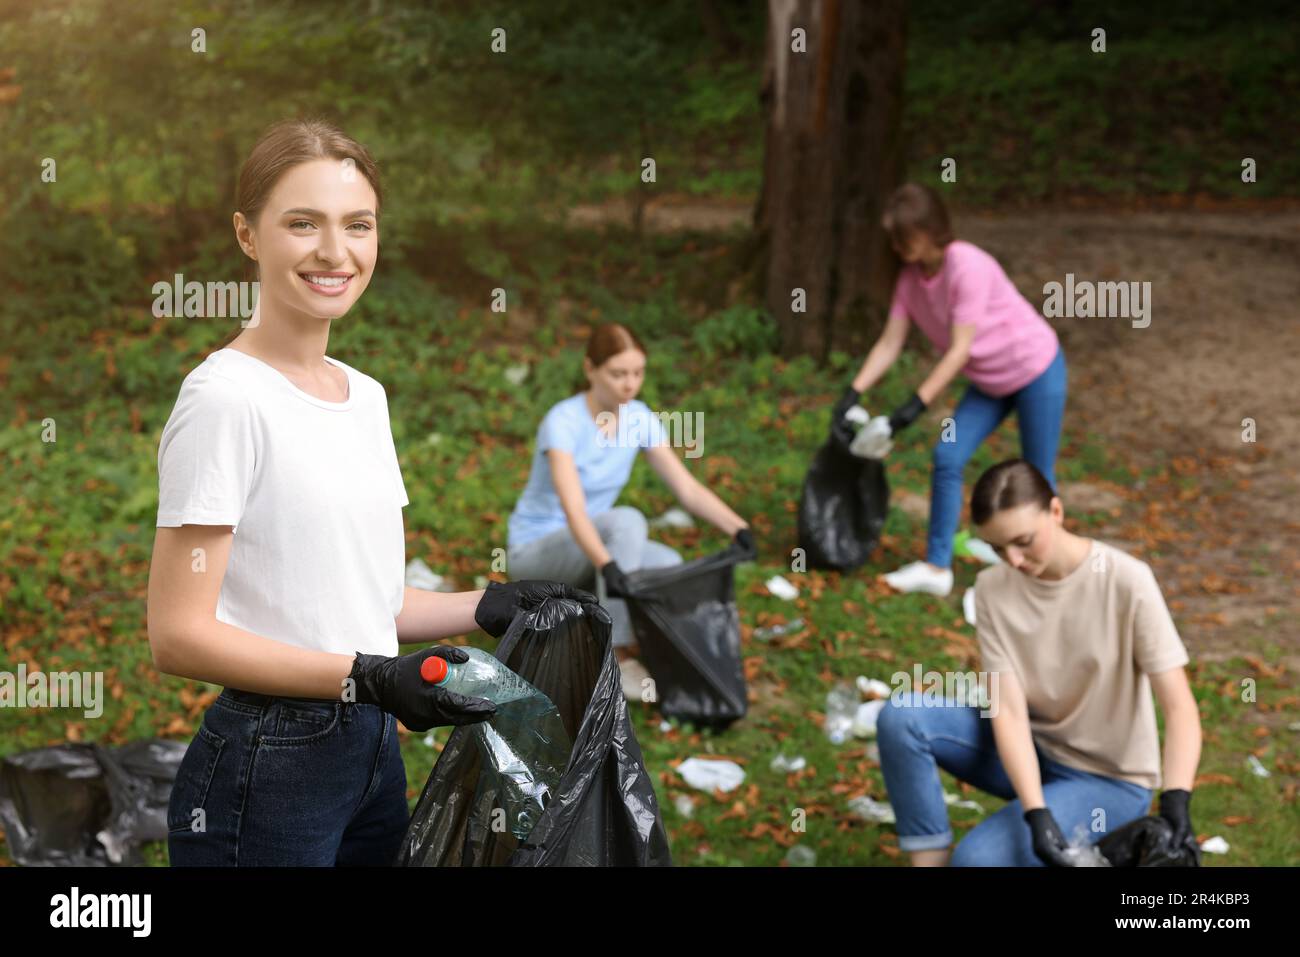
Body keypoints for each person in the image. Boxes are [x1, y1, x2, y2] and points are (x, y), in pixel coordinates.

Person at [148, 118, 585, 867]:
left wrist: (481, 606)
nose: (334, 251)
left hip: (372, 747)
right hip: (270, 759)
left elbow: (363, 602)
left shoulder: (364, 397)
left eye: (358, 224)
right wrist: (367, 677)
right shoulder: (225, 399)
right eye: (301, 223)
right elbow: (178, 633)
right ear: (248, 235)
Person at [876, 460, 1203, 866]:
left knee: (976, 862)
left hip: (1109, 780)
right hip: (1029, 750)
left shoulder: (1126, 580)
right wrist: (1037, 814)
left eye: (1023, 541)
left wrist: (1176, 801)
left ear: (1056, 512)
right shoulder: (992, 590)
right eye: (997, 549)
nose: (1013, 560)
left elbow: (1179, 706)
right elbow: (1008, 711)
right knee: (902, 717)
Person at [835, 183, 1067, 597]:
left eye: (904, 235)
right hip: (991, 383)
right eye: (893, 237)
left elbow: (959, 350)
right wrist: (853, 392)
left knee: (1038, 476)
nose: (897, 244)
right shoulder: (910, 279)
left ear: (929, 228)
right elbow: (890, 343)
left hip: (1035, 369)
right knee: (948, 454)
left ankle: (1047, 573)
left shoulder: (967, 265)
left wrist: (912, 407)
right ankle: (937, 567)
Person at [507, 322, 754, 654]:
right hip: (536, 555)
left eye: (638, 373)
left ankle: (623, 631)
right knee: (627, 521)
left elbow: (686, 489)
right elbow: (574, 511)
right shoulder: (563, 422)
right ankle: (614, 655)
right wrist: (607, 566)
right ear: (590, 369)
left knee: (668, 562)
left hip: (591, 550)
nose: (630, 384)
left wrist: (738, 528)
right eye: (618, 373)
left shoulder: (639, 418)